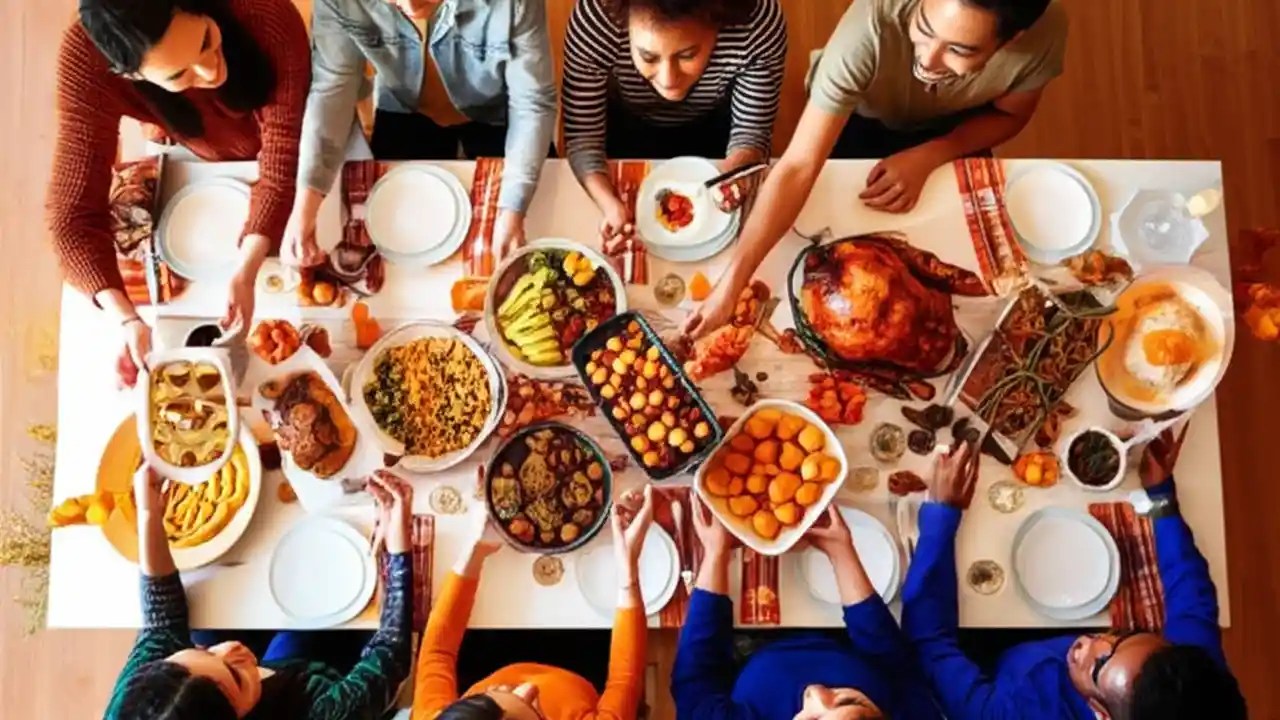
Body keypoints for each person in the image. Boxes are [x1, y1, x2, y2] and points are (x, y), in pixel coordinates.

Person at [682, 0, 1066, 339]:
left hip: (957, 128)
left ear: (1011, 40)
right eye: (924, 29)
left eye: (959, 50)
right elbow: (798, 165)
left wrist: (936, 152)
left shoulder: (1043, 33)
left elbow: (1009, 115)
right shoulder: (867, 30)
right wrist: (731, 287)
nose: (928, 61)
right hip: (861, 116)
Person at [48, 0, 310, 388]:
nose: (210, 70)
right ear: (132, 74)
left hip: (294, 135)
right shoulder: (86, 60)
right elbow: (71, 219)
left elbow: (284, 152)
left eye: (206, 39)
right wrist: (127, 318)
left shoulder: (264, 12)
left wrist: (246, 269)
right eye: (178, 73)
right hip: (199, 148)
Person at [900, 431, 1247, 720]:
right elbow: (1191, 595)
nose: (1090, 642)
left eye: (1098, 666)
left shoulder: (1011, 714)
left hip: (984, 660)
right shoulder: (1192, 680)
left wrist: (941, 516)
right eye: (1123, 637)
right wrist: (1160, 497)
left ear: (1101, 712)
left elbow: (929, 643)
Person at [105, 469, 416, 719]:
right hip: (304, 685)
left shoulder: (138, 704)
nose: (230, 648)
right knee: (318, 628)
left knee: (220, 601)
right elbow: (389, 658)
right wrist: (398, 553)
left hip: (274, 678)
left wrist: (149, 515)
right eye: (233, 676)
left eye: (203, 651)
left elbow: (162, 623)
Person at [286, 0, 557, 265]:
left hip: (501, 113)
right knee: (395, 243)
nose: (412, 6)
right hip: (406, 109)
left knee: (547, 226)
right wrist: (305, 207)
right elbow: (332, 91)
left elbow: (531, 102)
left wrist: (513, 210)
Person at [673, 499, 942, 720]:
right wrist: (841, 551)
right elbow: (890, 656)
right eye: (847, 699)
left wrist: (716, 553)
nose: (815, 692)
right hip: (846, 642)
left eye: (811, 719)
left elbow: (695, 677)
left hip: (749, 649)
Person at [411, 486, 655, 720]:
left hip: (490, 660)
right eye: (534, 709)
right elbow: (624, 678)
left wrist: (477, 550)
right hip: (581, 668)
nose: (529, 688)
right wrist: (628, 573)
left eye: (502, 693)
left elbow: (438, 652)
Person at [561, 0, 787, 249]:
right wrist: (609, 205)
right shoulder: (596, 16)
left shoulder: (757, 21)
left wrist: (735, 174)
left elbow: (751, 131)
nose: (668, 80)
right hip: (627, 127)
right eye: (648, 57)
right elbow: (584, 136)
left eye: (688, 55)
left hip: (716, 128)